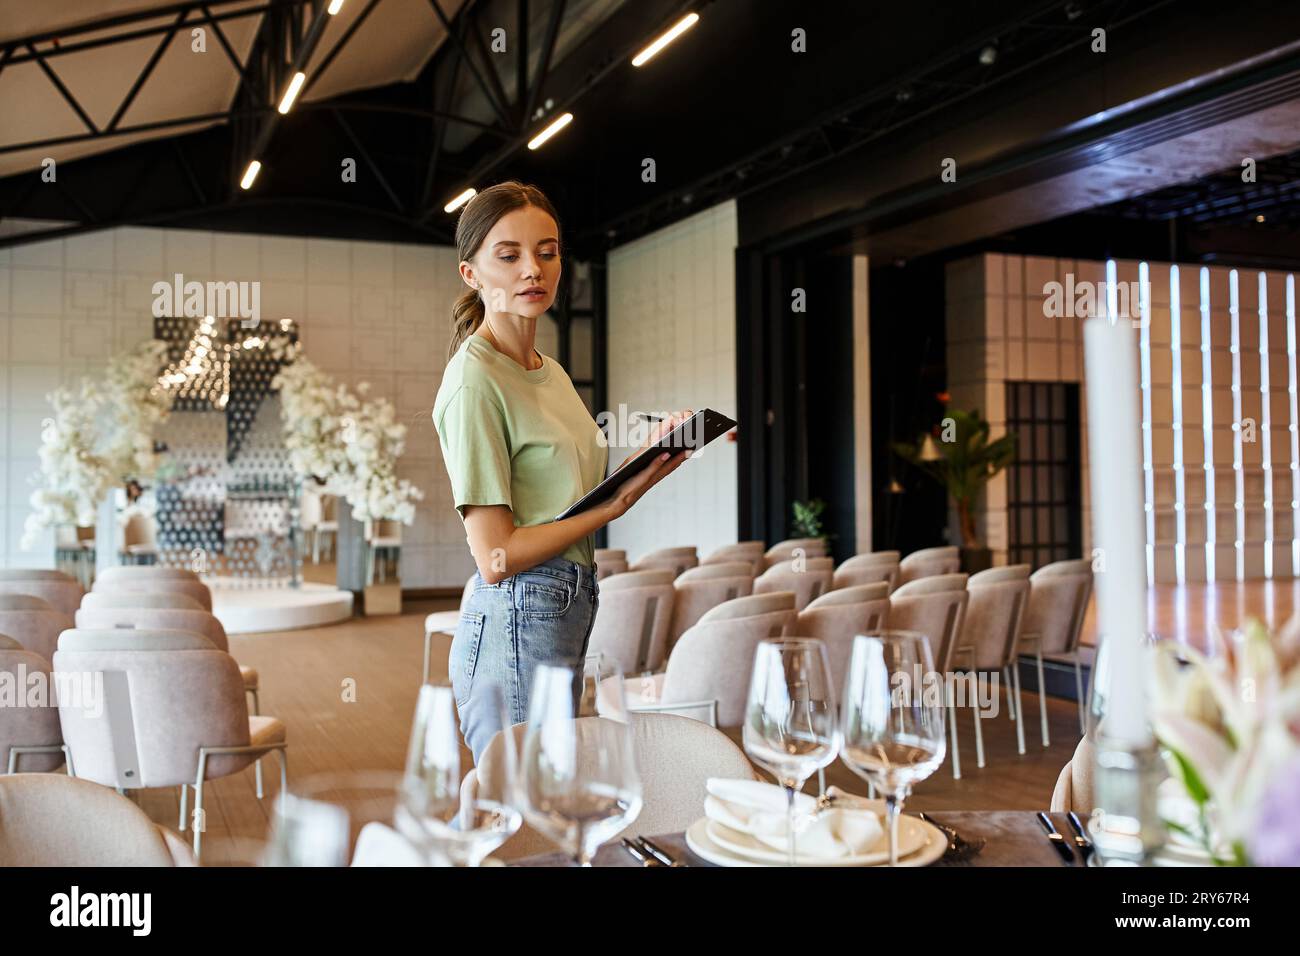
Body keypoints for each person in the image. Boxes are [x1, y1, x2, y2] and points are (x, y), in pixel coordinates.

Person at [432, 180, 691, 761]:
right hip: (517, 611)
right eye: (510, 255)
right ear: (471, 274)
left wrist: (649, 460)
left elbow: (572, 500)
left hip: (566, 604)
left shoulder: (550, 371)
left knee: (550, 798)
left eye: (547, 252)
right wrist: (613, 507)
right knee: (529, 811)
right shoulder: (473, 381)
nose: (534, 269)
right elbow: (495, 557)